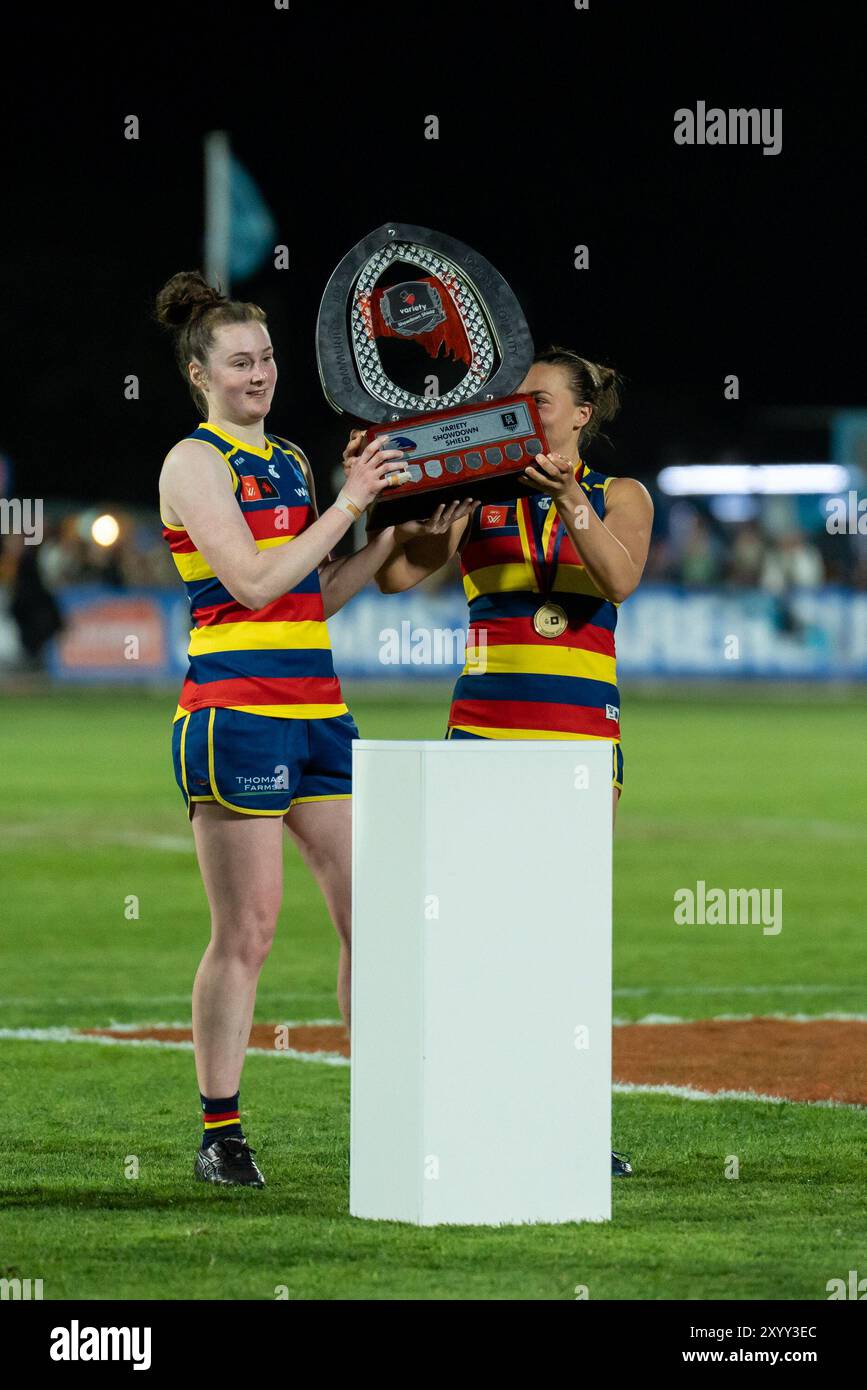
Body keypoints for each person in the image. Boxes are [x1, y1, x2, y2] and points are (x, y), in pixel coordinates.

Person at [344, 346, 654, 1177]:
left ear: (581, 415)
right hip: (482, 732)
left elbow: (619, 579)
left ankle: (572, 1117)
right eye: (514, 399)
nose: (523, 410)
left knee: (564, 938)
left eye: (540, 400)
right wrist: (418, 527)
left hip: (581, 738)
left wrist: (570, 504)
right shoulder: (481, 487)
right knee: (474, 932)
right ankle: (475, 1108)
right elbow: (397, 579)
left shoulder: (620, 495)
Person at [155, 270, 407, 1187]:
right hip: (235, 719)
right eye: (238, 361)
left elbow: (311, 594)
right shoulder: (193, 463)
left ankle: (389, 1093)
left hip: (319, 715)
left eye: (264, 358)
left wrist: (382, 527)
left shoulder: (294, 461)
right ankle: (220, 1133)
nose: (257, 373)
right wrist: (348, 502)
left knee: (372, 916)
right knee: (250, 931)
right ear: (199, 373)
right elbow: (253, 585)